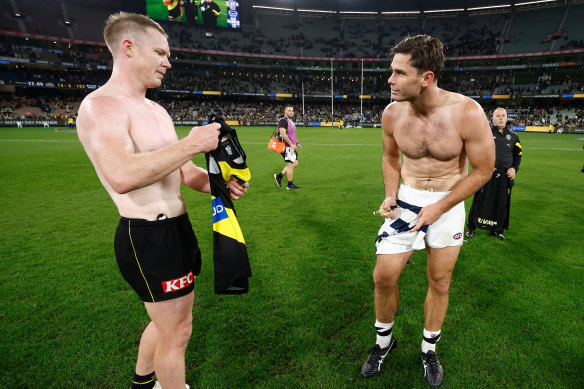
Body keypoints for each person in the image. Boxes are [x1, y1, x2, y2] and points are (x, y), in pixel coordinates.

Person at [76, 12, 248, 389]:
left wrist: (220, 185)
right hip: (147, 236)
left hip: (177, 230)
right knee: (178, 331)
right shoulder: (101, 106)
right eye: (160, 52)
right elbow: (120, 176)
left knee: (167, 323)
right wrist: (191, 143)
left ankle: (142, 383)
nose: (169, 62)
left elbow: (183, 173)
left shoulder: (157, 110)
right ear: (128, 48)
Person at [360, 35, 495, 387]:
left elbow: (483, 170)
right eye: (391, 71)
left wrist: (440, 206)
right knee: (383, 276)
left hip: (448, 204)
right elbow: (391, 158)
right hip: (406, 200)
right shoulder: (391, 113)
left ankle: (428, 350)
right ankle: (383, 343)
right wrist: (391, 194)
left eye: (399, 73)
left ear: (427, 78)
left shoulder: (466, 112)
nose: (390, 80)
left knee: (440, 281)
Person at [465, 107, 522, 240]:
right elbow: (474, 153)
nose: (501, 118)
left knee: (502, 204)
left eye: (503, 115)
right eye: (498, 116)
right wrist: (485, 166)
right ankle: (471, 227)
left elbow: (518, 155)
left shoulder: (514, 136)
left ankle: (496, 230)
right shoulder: (485, 133)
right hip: (486, 175)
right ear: (493, 119)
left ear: (507, 118)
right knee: (478, 201)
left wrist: (514, 168)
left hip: (505, 177)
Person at [273, 105, 302, 190]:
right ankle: (290, 184)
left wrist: (297, 143)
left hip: (291, 147)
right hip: (286, 147)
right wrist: (291, 144)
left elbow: (292, 135)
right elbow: (283, 133)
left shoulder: (290, 121)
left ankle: (280, 176)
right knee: (291, 165)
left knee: (295, 164)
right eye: (289, 110)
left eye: (292, 111)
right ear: (285, 111)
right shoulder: (283, 121)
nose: (291, 112)